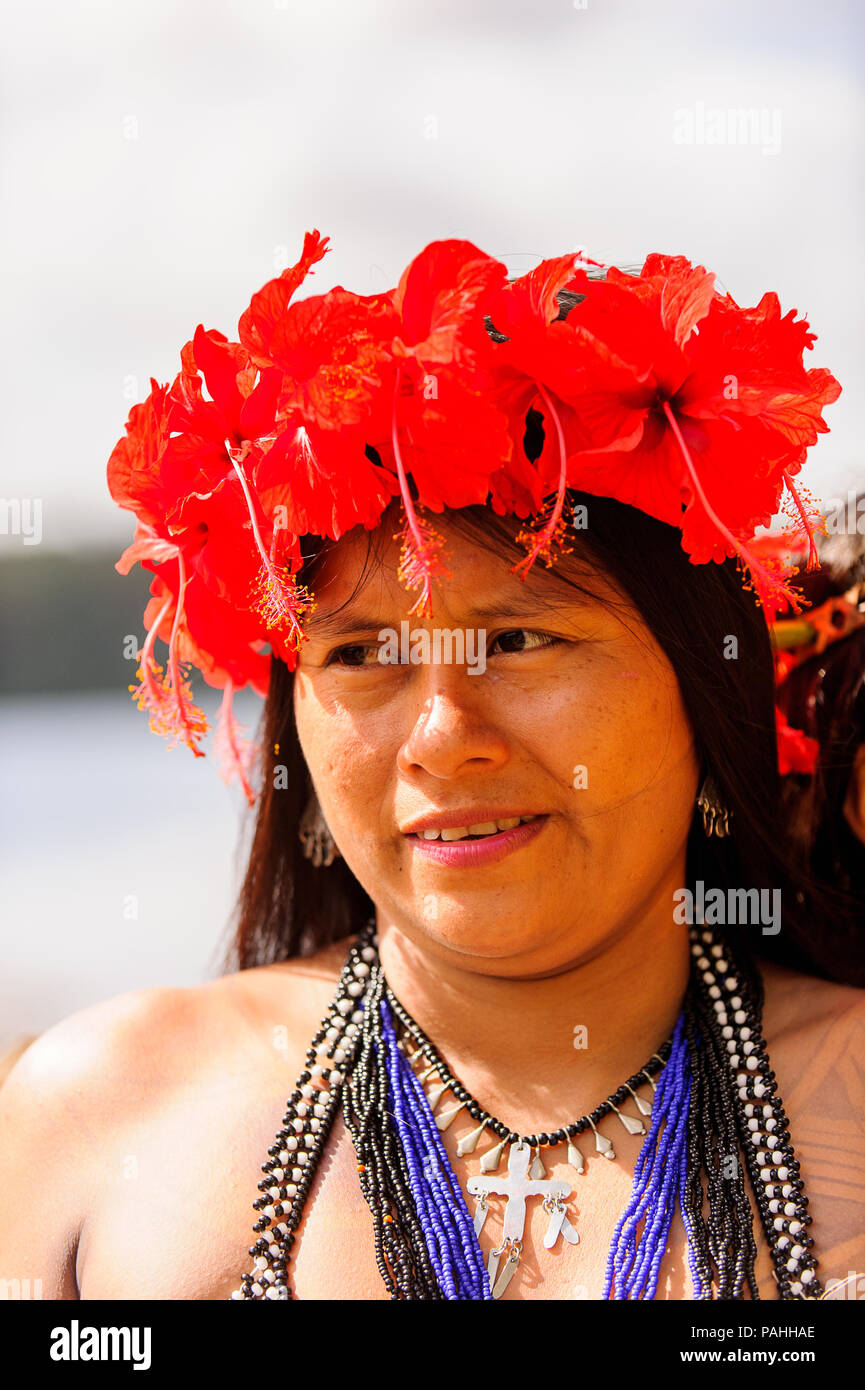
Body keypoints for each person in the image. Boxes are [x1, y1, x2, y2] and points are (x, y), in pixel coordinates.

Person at [1, 236, 863, 1302]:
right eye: (359, 656)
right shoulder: (96, 1112)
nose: (443, 736)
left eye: (518, 640)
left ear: (706, 684)